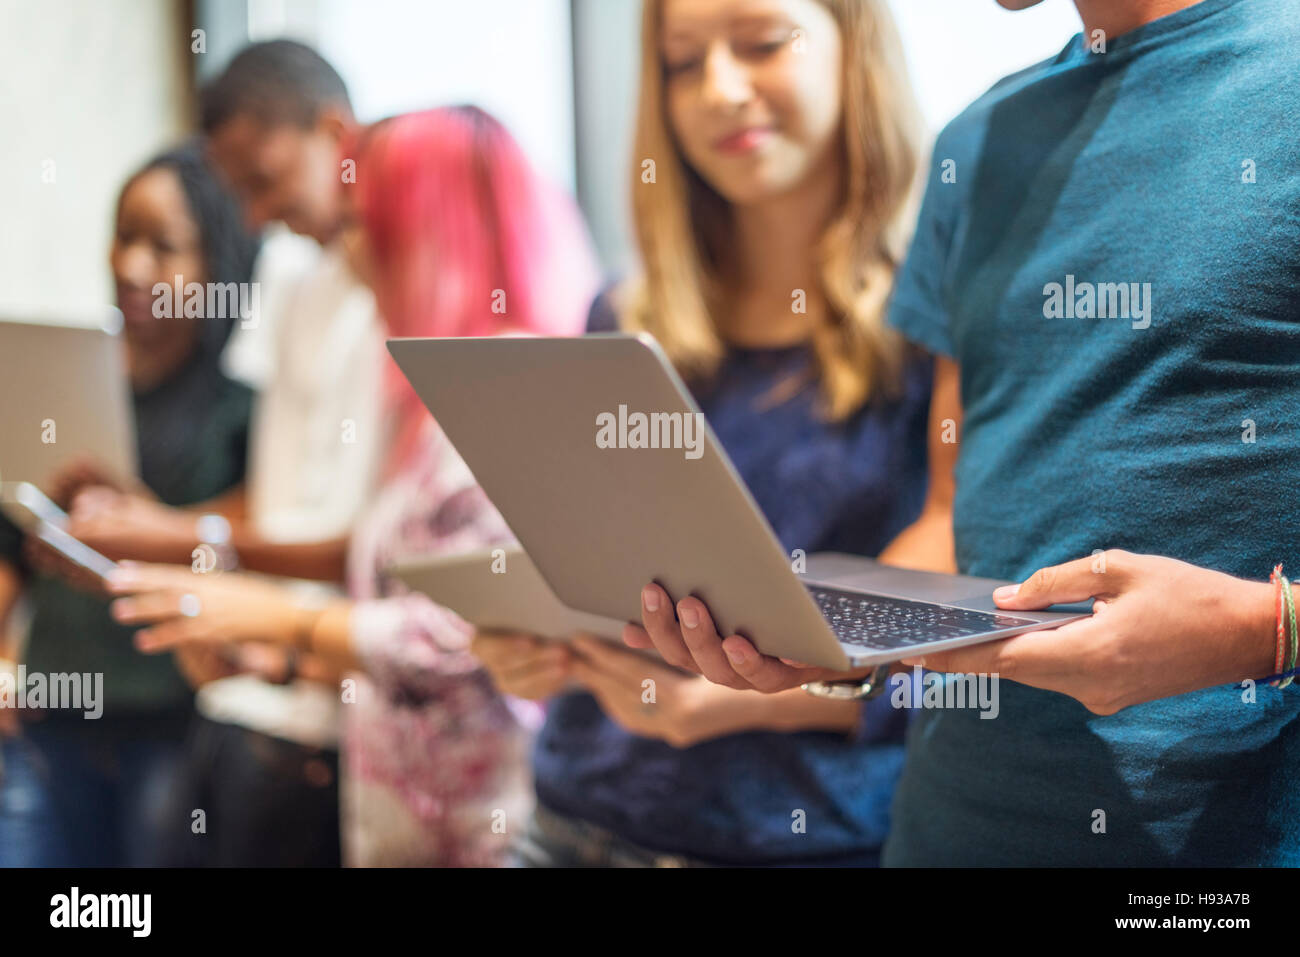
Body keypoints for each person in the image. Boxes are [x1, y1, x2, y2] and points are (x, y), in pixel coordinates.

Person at [627, 0, 1300, 865]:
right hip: (945, 831)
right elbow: (953, 515)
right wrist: (823, 635)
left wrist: (1266, 630)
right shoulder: (976, 145)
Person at [472, 0, 945, 867]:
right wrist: (528, 646)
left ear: (858, 51)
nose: (720, 90)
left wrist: (728, 701)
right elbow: (596, 574)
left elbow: (951, 650)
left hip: (798, 838)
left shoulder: (933, 326)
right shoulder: (622, 316)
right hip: (570, 820)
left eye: (762, 44)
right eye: (683, 63)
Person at [105, 106, 600, 866]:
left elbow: (456, 639)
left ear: (432, 228)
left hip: (492, 833)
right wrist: (282, 653)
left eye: (368, 223)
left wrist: (277, 618)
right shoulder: (436, 395)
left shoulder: (518, 388)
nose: (354, 251)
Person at [60, 41, 388, 867]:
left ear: (335, 135)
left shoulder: (401, 290)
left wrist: (179, 542)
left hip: (338, 704)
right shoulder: (291, 281)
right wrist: (154, 524)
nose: (249, 216)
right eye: (235, 190)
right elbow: (273, 496)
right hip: (248, 703)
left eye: (262, 181)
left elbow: (368, 536)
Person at [0, 142, 260, 866]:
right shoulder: (58, 385)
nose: (132, 265)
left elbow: (256, 562)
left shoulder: (247, 418)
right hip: (45, 726)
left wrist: (149, 529)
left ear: (218, 267)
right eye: (123, 235)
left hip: (178, 736)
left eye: (163, 245)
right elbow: (10, 551)